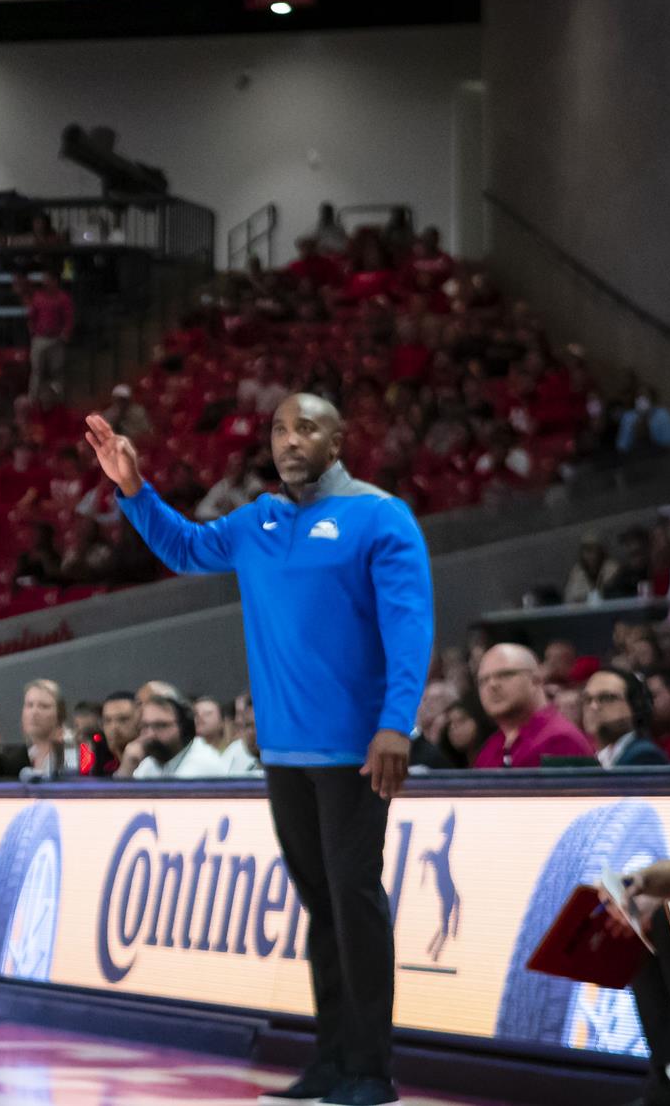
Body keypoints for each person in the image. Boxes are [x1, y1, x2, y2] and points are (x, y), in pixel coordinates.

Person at [89, 391, 433, 1106]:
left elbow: (410, 628)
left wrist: (396, 723)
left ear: (337, 441)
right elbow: (185, 548)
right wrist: (133, 489)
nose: (289, 439)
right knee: (322, 908)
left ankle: (371, 1069)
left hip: (355, 753)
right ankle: (334, 1059)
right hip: (282, 753)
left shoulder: (379, 517)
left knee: (356, 902)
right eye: (279, 428)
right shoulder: (259, 521)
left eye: (306, 427)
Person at [471, 643, 594, 769]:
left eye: (505, 674)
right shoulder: (489, 750)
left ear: (536, 679)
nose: (492, 685)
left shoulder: (561, 741)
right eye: (483, 680)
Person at [583, 667, 670, 769]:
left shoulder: (643, 756)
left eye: (607, 698)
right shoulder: (602, 756)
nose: (593, 706)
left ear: (635, 706)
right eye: (587, 699)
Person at [128, 696, 229, 779]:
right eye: (145, 726)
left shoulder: (203, 762)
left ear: (185, 727)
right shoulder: (152, 762)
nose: (150, 734)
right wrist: (127, 765)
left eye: (161, 726)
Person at [22, 272, 75, 399]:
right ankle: (33, 399)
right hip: (40, 338)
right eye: (44, 280)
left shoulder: (63, 298)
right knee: (36, 371)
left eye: (48, 280)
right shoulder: (38, 297)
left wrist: (65, 333)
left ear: (55, 281)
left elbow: (69, 318)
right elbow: (31, 316)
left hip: (56, 339)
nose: (46, 283)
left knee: (57, 371)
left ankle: (58, 399)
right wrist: (33, 331)